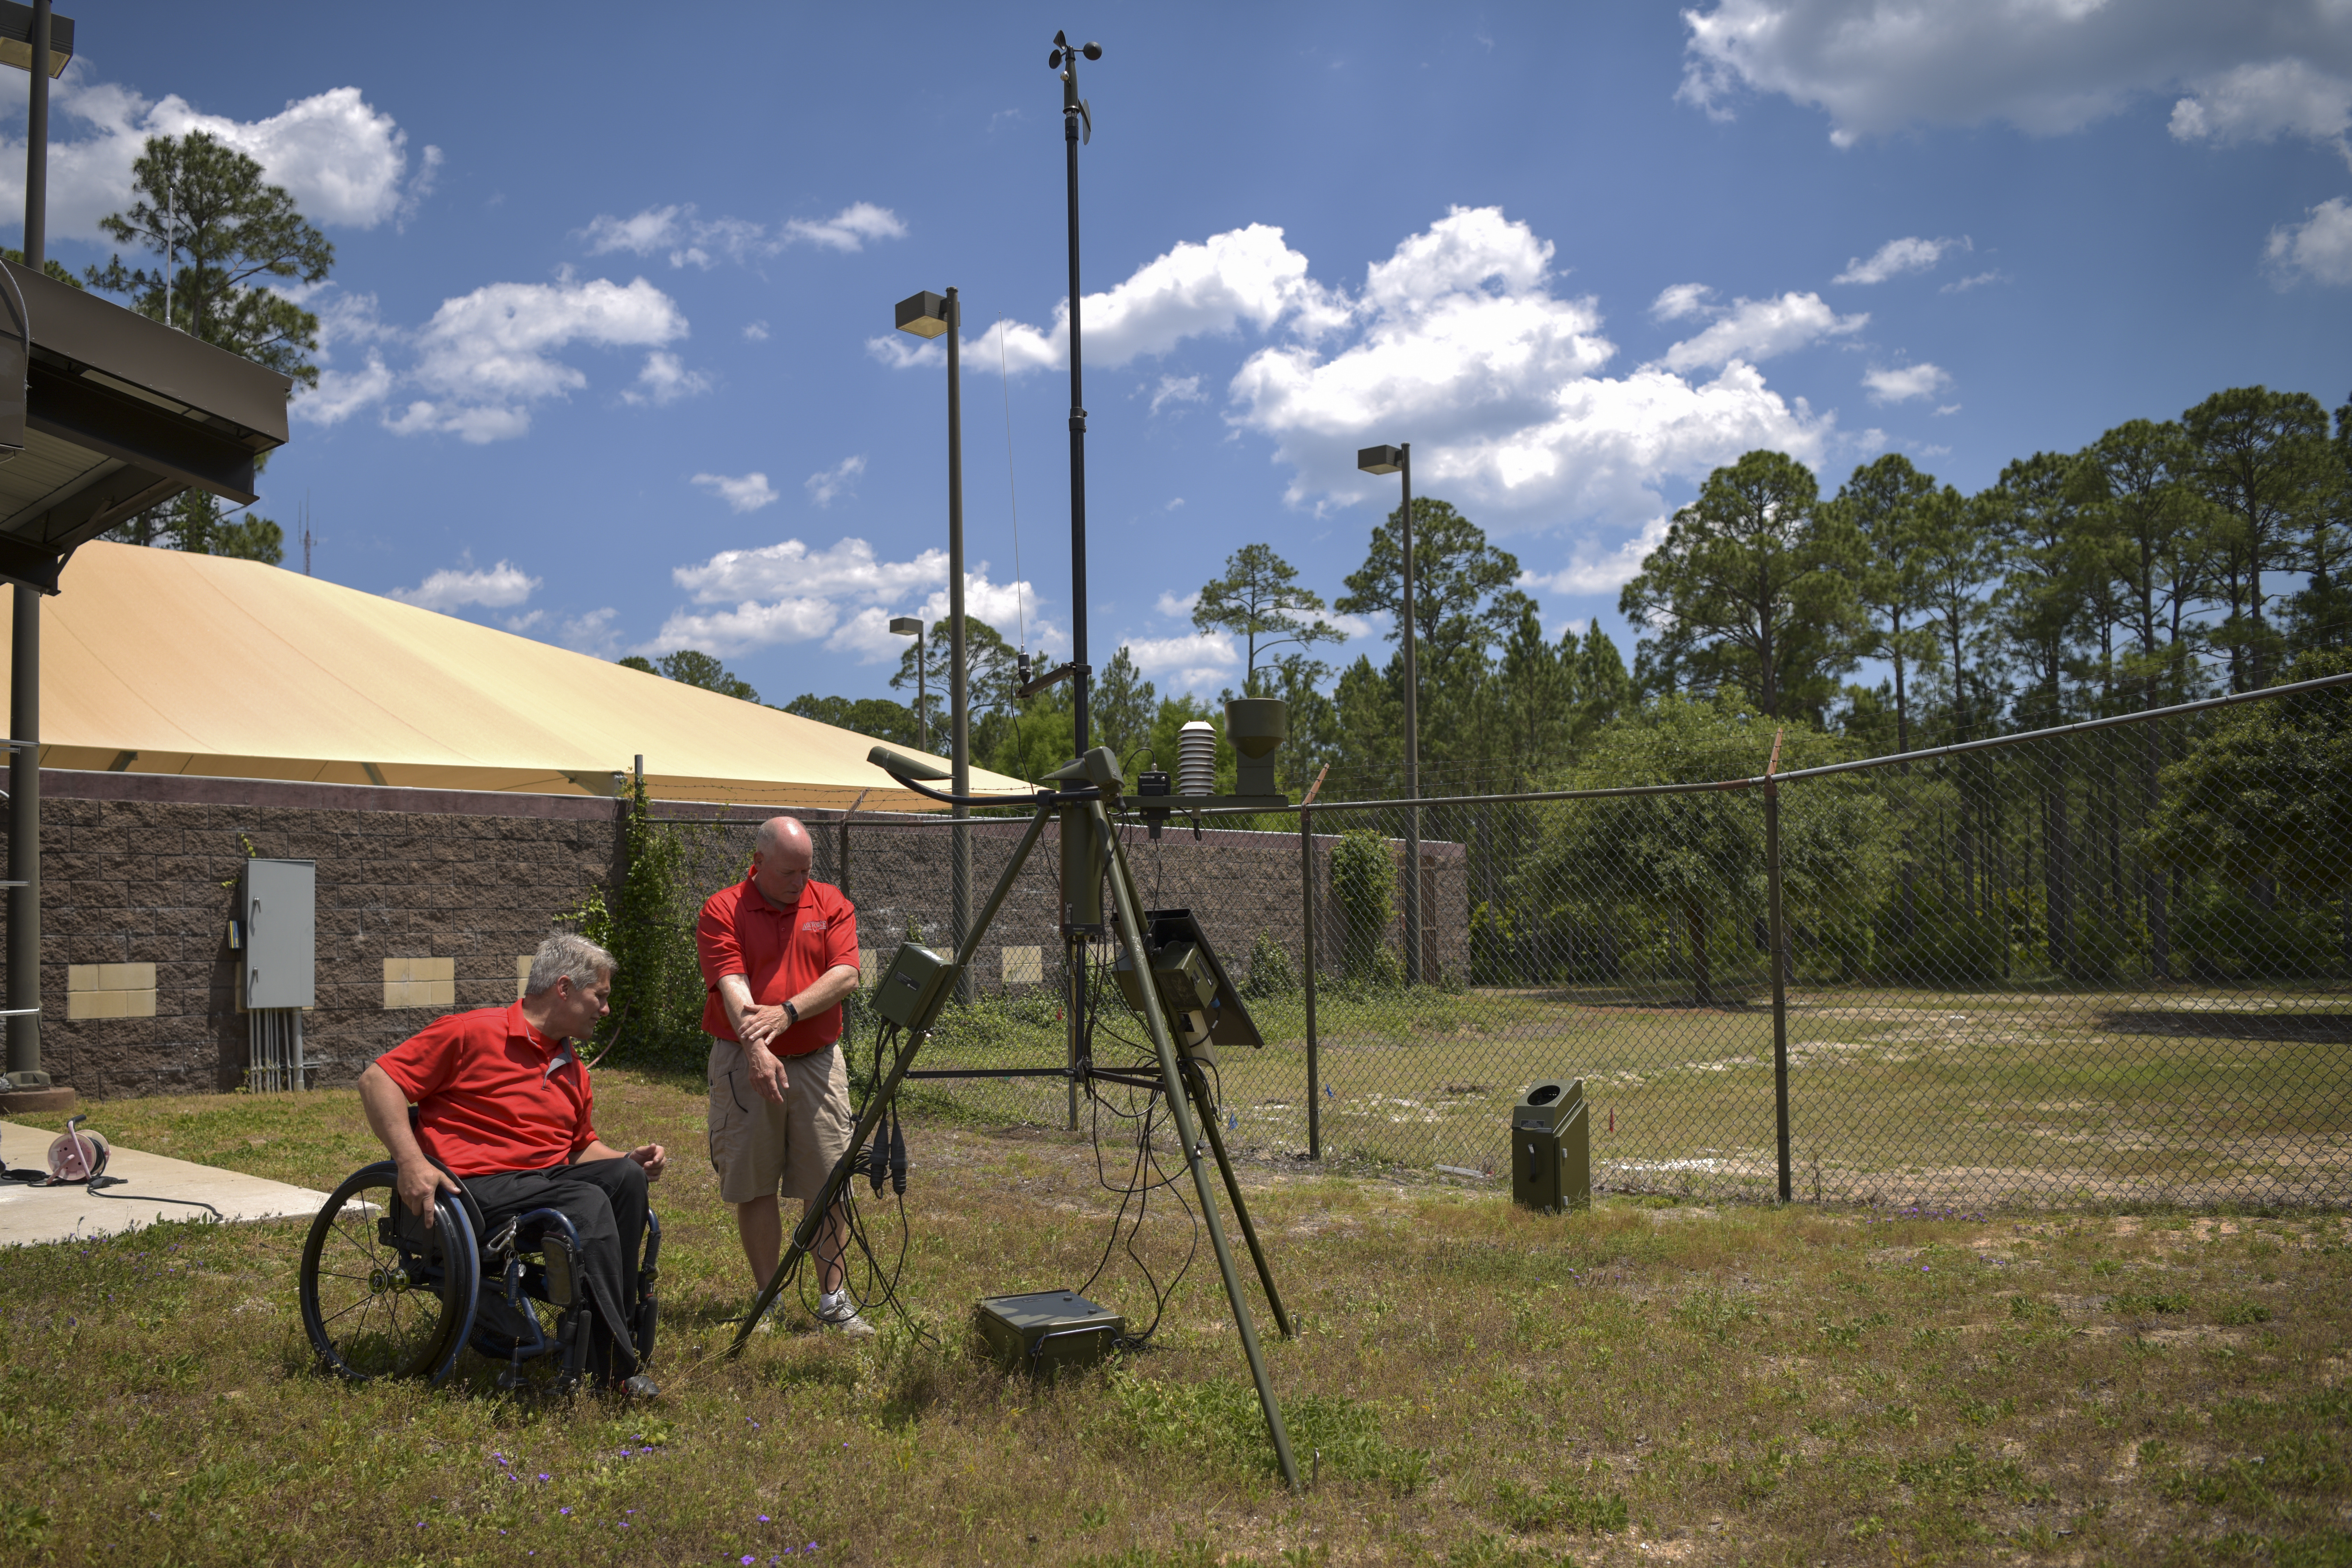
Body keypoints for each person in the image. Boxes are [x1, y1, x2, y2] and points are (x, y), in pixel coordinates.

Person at [357, 932, 666, 1397]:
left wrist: (629, 1159)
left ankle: (607, 1338)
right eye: (599, 997)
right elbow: (378, 1079)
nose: (605, 1010)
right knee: (582, 1199)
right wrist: (410, 1161)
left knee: (622, 1180)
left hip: (542, 1185)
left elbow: (579, 1149)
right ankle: (614, 1369)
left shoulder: (572, 1066)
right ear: (564, 988)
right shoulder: (470, 1033)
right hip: (474, 1191)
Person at [697, 814, 869, 1336]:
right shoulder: (723, 909)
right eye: (790, 872)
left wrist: (788, 1013)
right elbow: (732, 983)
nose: (801, 882)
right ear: (759, 864)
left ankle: (833, 1299)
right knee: (754, 1182)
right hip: (741, 1059)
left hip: (817, 1060)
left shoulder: (829, 903)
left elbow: (847, 975)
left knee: (829, 1183)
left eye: (807, 870)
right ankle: (767, 1295)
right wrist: (756, 1045)